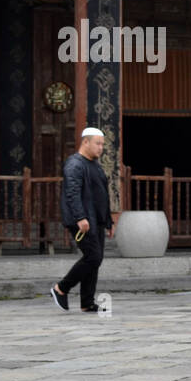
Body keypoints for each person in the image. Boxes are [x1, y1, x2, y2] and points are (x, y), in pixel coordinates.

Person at [51, 127, 114, 313]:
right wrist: (80, 217)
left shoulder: (95, 165)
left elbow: (103, 196)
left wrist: (108, 221)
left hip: (97, 220)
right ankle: (61, 288)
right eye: (97, 143)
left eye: (103, 144)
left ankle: (87, 302)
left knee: (94, 260)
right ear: (85, 142)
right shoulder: (75, 164)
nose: (101, 148)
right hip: (83, 221)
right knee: (93, 256)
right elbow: (72, 194)